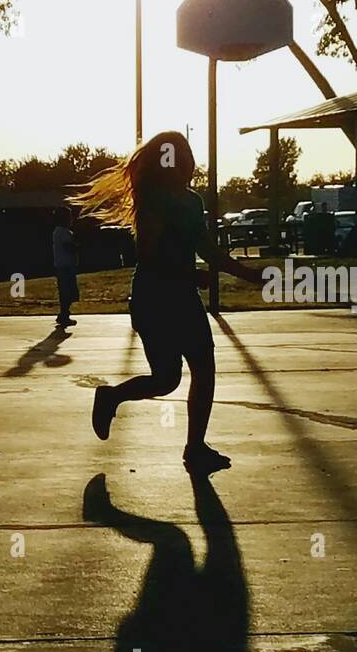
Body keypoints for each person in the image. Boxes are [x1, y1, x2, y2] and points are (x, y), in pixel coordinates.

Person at [71, 130, 264, 475]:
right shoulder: (154, 202)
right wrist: (191, 277)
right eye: (180, 157)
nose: (188, 163)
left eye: (188, 156)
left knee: (203, 370)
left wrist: (248, 274)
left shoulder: (192, 201)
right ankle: (111, 397)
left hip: (184, 301)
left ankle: (195, 448)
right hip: (155, 299)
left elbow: (207, 249)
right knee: (167, 379)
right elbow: (148, 255)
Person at [52, 205, 78, 327]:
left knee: (67, 291)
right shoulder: (62, 232)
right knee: (66, 291)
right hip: (65, 266)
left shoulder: (60, 232)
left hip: (64, 265)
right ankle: (64, 315)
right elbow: (69, 247)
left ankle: (65, 313)